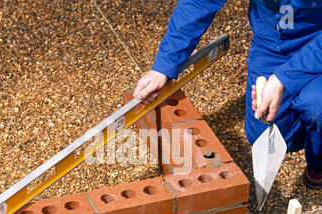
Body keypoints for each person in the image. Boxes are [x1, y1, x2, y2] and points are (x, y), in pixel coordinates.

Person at [133, 0, 322, 189]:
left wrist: (283, 79)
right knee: (263, 133)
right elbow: (198, 3)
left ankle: (318, 162)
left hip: (316, 45)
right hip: (272, 46)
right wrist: (164, 66)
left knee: (315, 107)